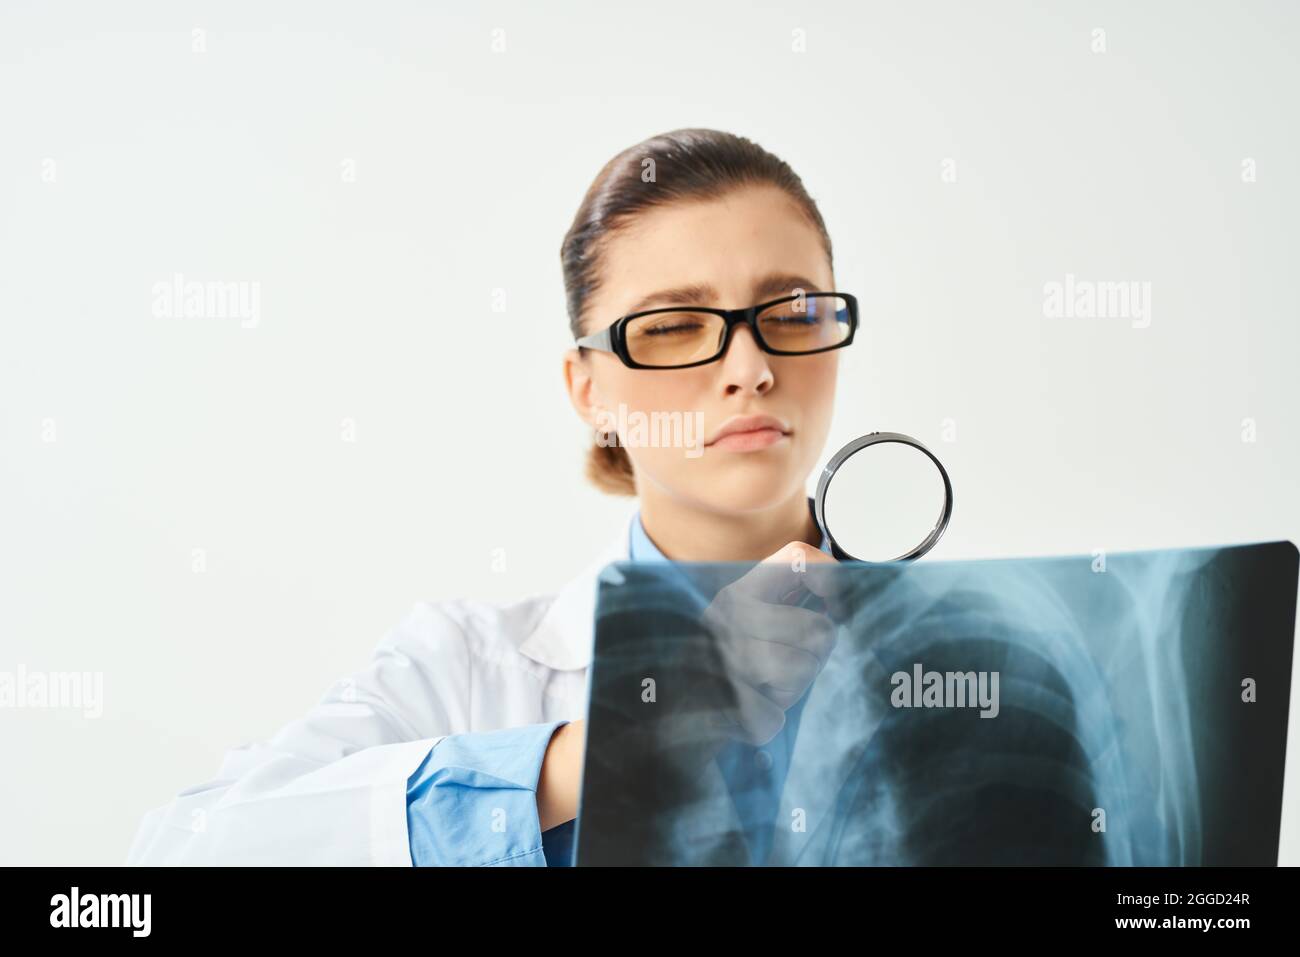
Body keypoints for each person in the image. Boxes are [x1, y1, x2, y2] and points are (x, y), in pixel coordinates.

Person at [125, 128, 854, 866]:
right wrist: (609, 745)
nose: (750, 367)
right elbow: (176, 854)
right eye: (670, 326)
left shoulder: (962, 661)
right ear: (589, 390)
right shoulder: (466, 670)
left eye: (792, 311)